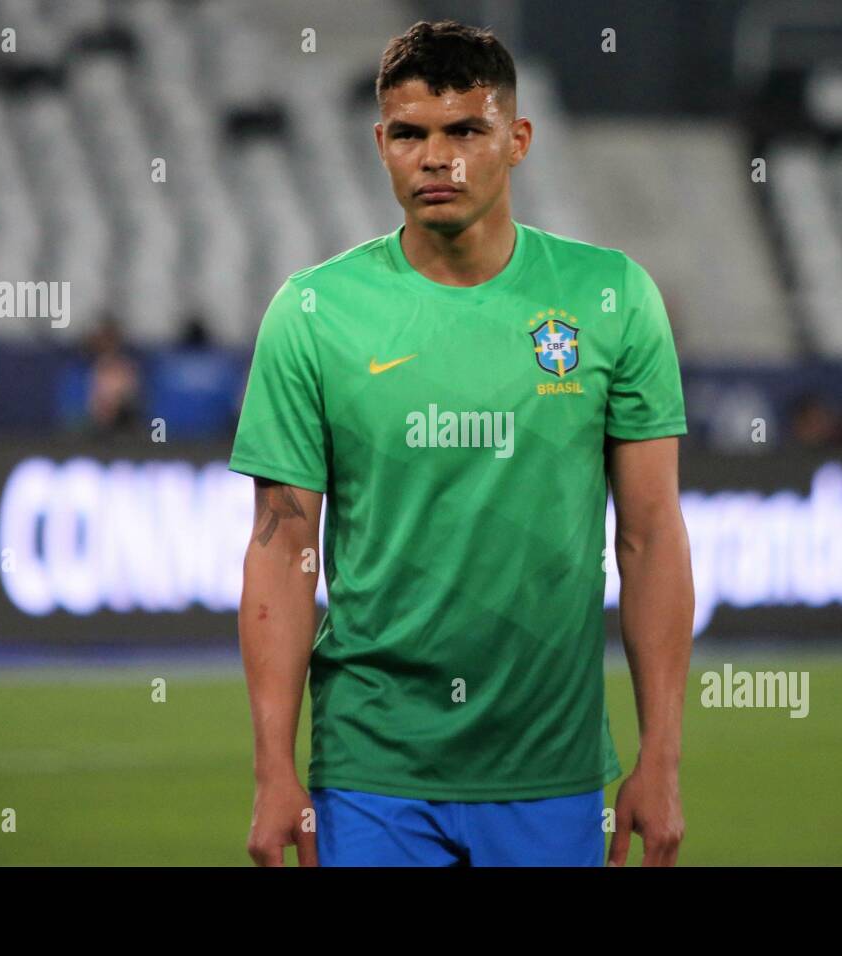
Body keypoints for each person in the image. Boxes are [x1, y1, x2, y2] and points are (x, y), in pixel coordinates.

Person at [230, 20, 694, 867]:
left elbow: (651, 533)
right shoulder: (312, 315)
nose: (435, 157)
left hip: (550, 772)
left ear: (516, 140)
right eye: (410, 134)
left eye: (465, 131)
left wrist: (659, 756)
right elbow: (281, 548)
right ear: (381, 143)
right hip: (371, 769)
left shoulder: (612, 299)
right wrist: (272, 770)